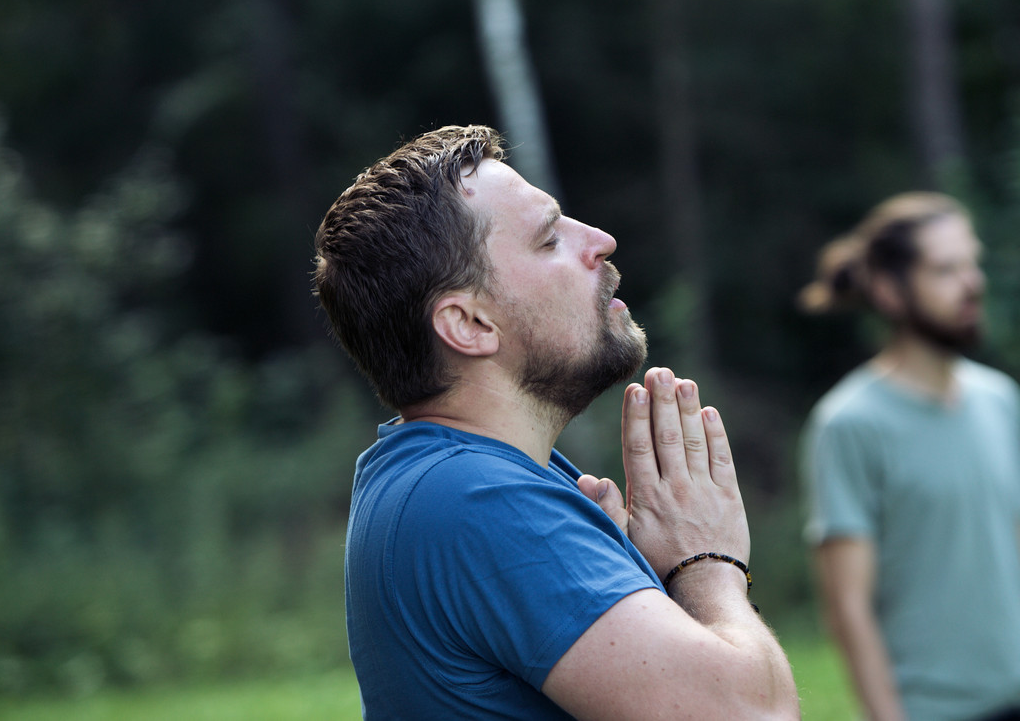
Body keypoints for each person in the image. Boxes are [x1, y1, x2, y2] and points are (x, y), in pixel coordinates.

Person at [312, 125, 798, 720]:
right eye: (549, 239)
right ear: (469, 324)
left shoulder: (438, 479)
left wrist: (645, 587)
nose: (600, 241)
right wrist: (707, 565)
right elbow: (755, 714)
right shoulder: (478, 501)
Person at [796, 193, 1020, 721]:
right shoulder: (848, 425)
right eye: (946, 270)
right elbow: (848, 608)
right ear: (889, 291)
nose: (973, 283)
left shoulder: (1001, 400)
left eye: (973, 264)